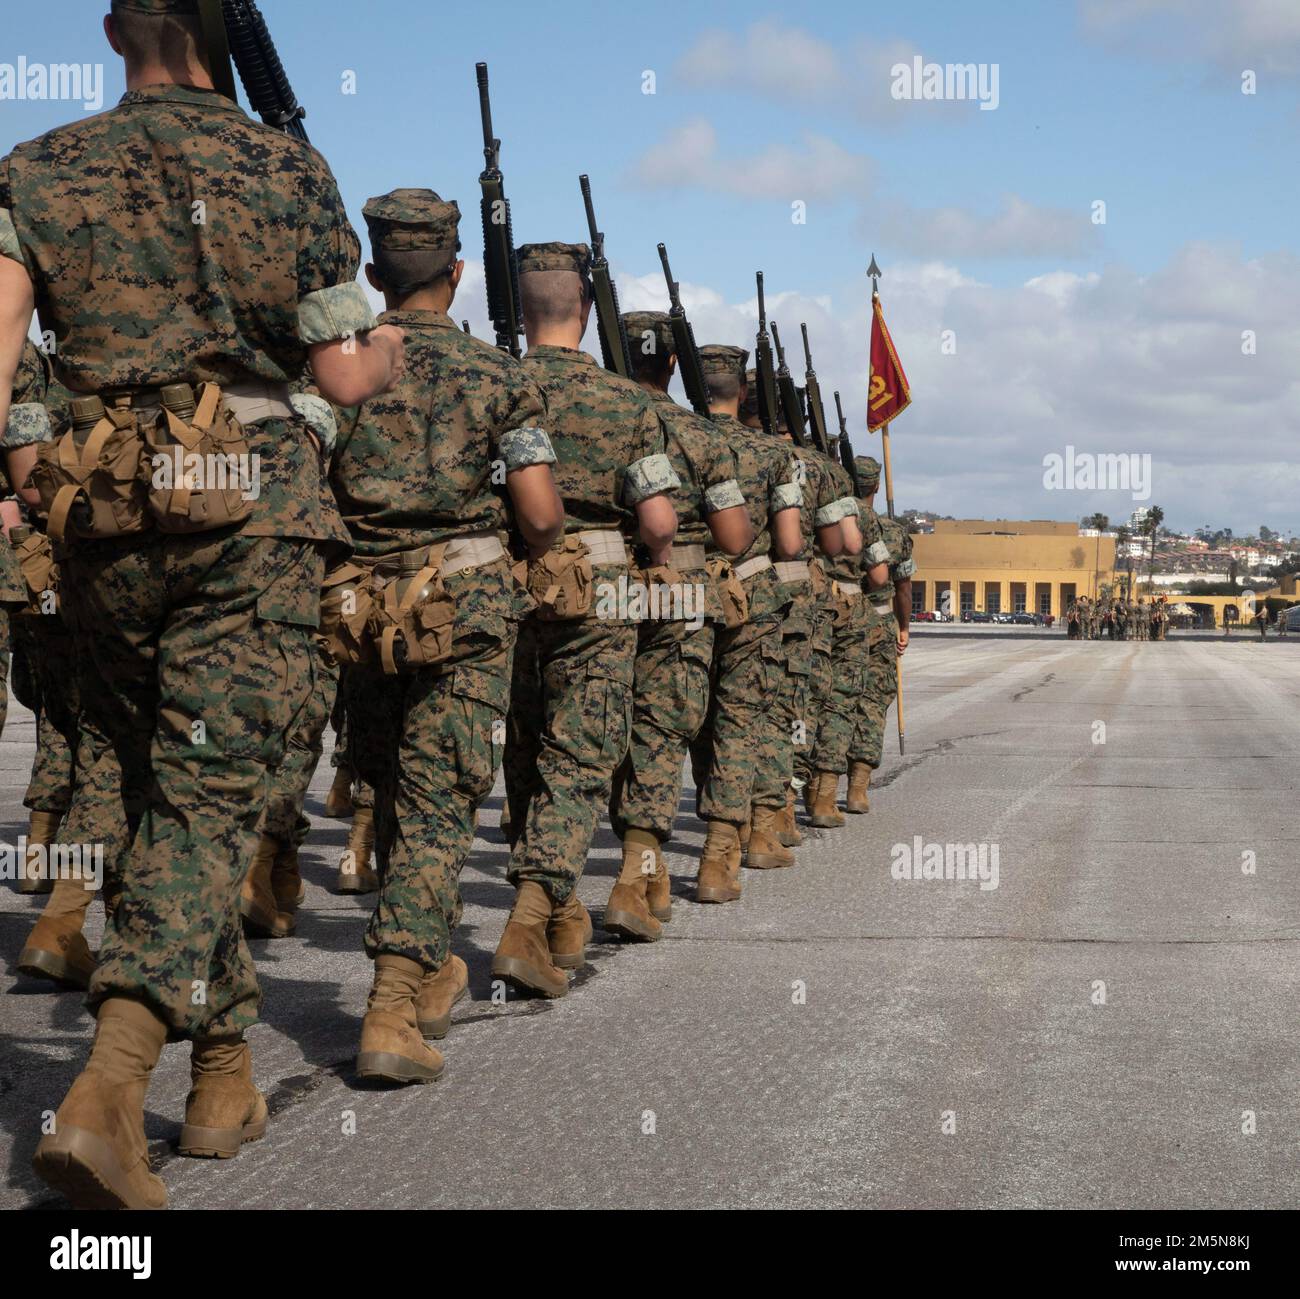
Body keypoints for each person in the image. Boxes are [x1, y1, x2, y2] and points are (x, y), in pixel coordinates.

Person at [0, 0, 404, 1208]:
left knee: (169, 797)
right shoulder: (290, 168)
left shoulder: (35, 166)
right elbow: (341, 372)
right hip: (253, 512)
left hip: (108, 520)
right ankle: (109, 1090)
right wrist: (377, 359)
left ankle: (222, 1066)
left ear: (118, 29)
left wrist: (41, 475)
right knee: (205, 798)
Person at [332, 191, 563, 1078]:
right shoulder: (502, 378)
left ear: (371, 275)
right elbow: (540, 515)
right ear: (457, 273)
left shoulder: (343, 371)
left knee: (389, 788)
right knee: (437, 803)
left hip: (361, 608)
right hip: (461, 607)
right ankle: (392, 1011)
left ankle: (424, 969)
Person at [496, 242, 679, 996]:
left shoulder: (493, 384)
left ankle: (560, 910)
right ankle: (529, 915)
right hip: (601, 592)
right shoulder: (628, 403)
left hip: (506, 584)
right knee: (578, 757)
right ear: (586, 309)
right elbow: (662, 521)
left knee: (526, 748)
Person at [607, 312, 752, 930]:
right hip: (681, 593)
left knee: (603, 723)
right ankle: (691, 864)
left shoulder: (591, 417)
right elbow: (735, 537)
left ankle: (632, 875)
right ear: (672, 364)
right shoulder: (702, 438)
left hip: (600, 590)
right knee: (665, 727)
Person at [685, 346, 802, 901]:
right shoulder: (773, 456)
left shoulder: (672, 433)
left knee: (677, 721)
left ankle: (641, 876)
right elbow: (791, 543)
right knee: (738, 720)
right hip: (750, 596)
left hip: (680, 595)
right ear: (742, 392)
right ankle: (719, 859)